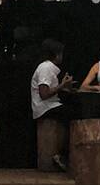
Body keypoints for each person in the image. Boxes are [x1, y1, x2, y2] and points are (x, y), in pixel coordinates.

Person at [31, 39, 75, 170]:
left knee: (72, 110)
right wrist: (61, 86)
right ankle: (62, 153)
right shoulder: (46, 68)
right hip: (44, 107)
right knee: (73, 116)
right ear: (56, 54)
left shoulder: (48, 68)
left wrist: (64, 87)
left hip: (50, 104)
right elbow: (44, 93)